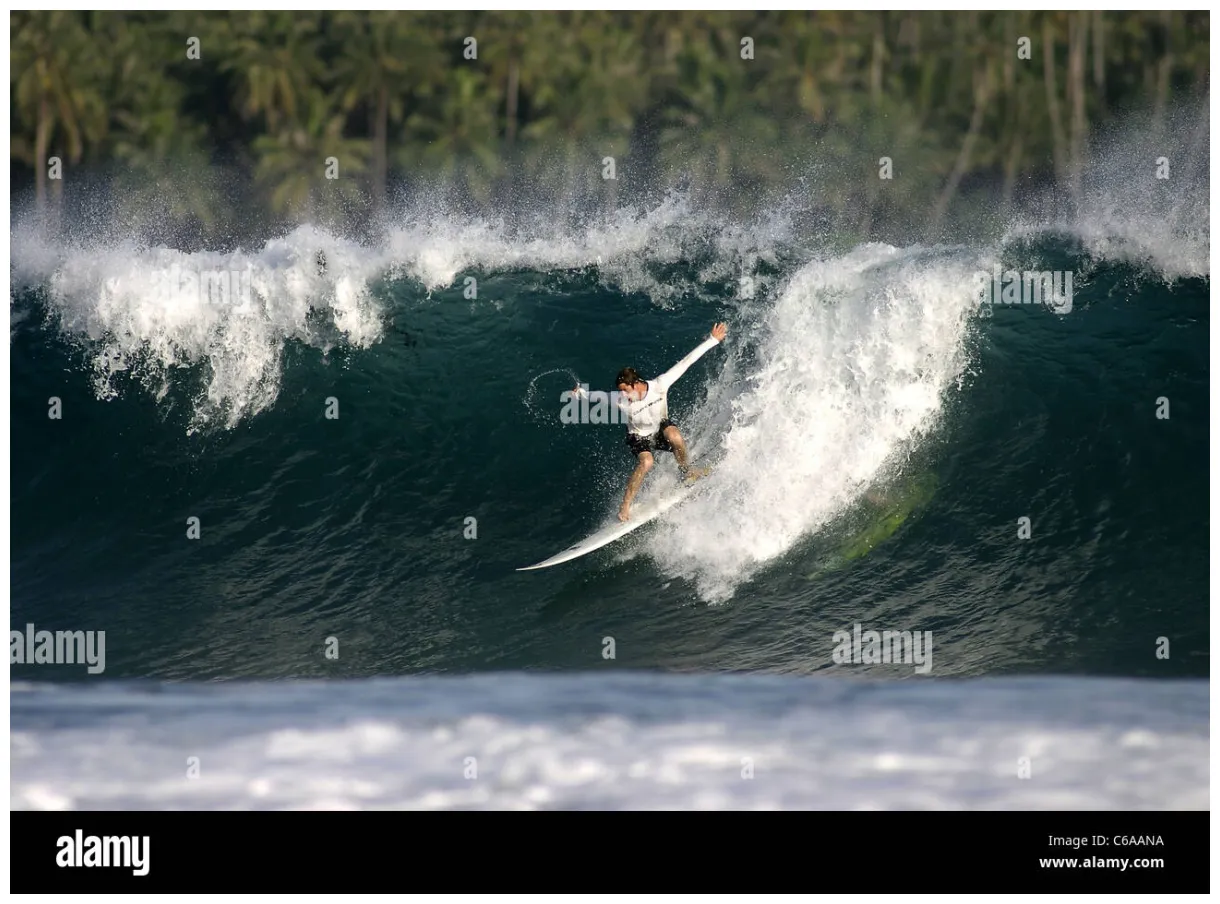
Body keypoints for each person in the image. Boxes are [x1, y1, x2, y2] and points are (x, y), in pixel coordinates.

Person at [573, 322, 728, 521]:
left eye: (625, 390)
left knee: (675, 436)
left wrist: (712, 340)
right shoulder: (619, 399)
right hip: (637, 435)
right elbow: (596, 396)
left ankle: (687, 472)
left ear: (635, 383)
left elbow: (686, 363)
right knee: (647, 462)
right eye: (620, 390)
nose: (623, 394)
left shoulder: (659, 385)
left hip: (659, 427)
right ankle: (625, 505)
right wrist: (580, 394)